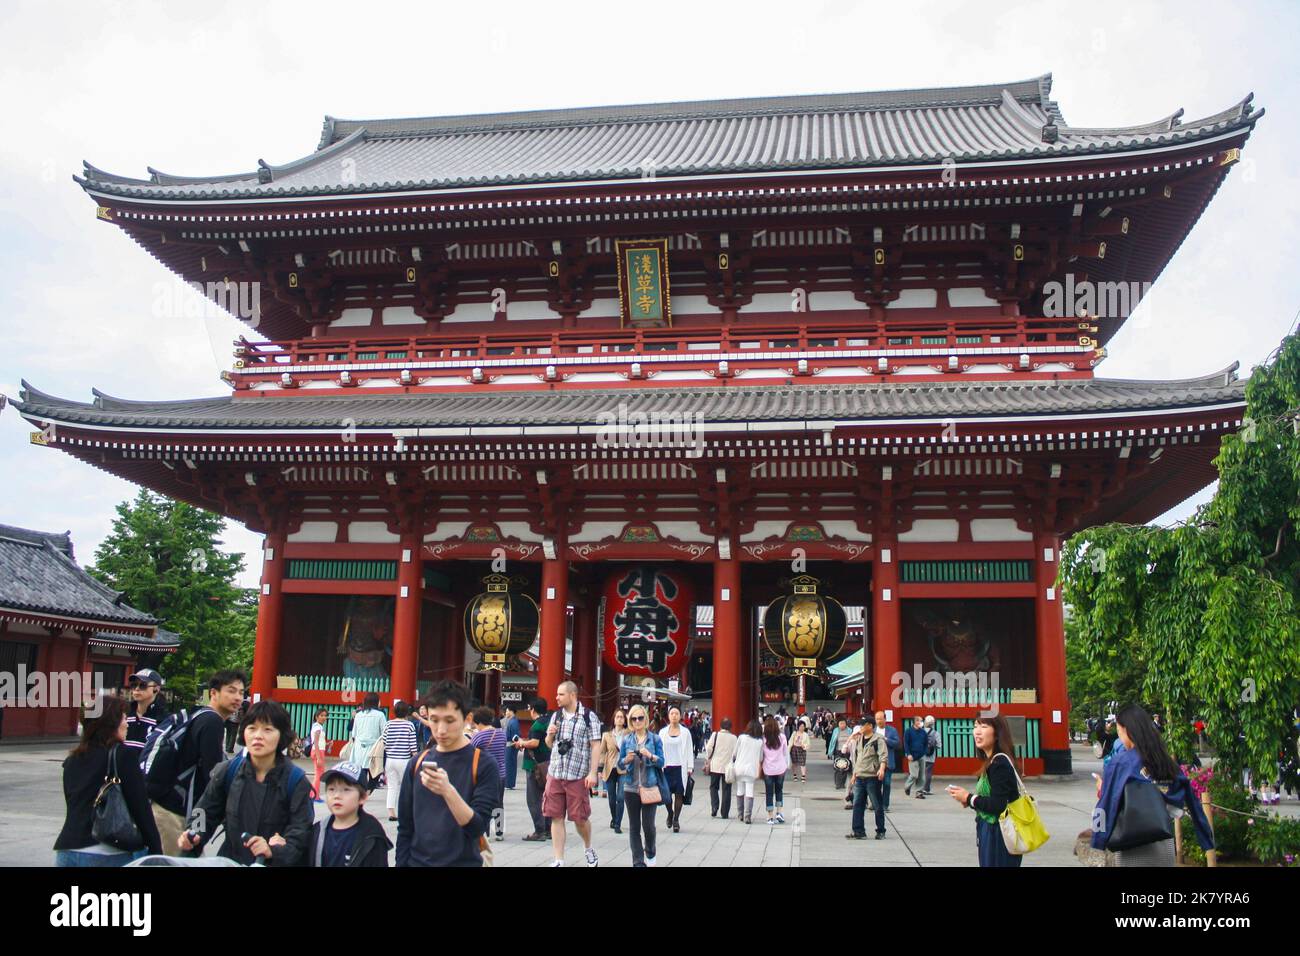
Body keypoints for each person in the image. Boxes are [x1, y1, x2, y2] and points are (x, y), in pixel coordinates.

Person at [181, 699, 314, 866]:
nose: (258, 735)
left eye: (267, 729)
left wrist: (274, 851)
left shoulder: (295, 781)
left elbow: (300, 832)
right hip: (231, 860)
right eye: (252, 728)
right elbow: (204, 810)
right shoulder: (228, 771)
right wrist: (194, 832)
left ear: (282, 735)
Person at [1092, 704, 1215, 866]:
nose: (1119, 737)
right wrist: (1206, 839)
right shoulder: (1165, 761)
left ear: (1127, 730)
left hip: (1130, 842)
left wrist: (1098, 840)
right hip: (1163, 841)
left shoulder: (1119, 763)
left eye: (1120, 732)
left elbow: (1106, 804)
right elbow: (1190, 800)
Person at [396, 681, 501, 867]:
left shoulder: (483, 764)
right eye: (434, 720)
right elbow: (405, 827)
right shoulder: (417, 763)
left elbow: (477, 827)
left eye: (449, 720)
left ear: (467, 719)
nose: (441, 729)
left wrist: (448, 791)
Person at [55, 694, 162, 865]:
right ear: (111, 722)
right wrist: (156, 848)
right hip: (104, 852)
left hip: (67, 851)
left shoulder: (72, 760)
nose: (127, 723)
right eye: (124, 718)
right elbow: (139, 806)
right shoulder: (122, 755)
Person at [149, 669, 244, 857]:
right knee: (176, 861)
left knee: (191, 858)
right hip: (175, 812)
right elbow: (213, 775)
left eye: (241, 692)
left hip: (182, 807)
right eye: (231, 691)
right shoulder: (212, 721)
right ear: (214, 693)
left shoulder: (200, 715)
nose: (238, 697)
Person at [945, 714, 1021, 867]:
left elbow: (998, 804)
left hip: (999, 834)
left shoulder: (999, 763)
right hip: (989, 829)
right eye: (975, 726)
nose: (977, 732)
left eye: (984, 726)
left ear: (998, 733)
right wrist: (969, 800)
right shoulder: (991, 761)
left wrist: (969, 798)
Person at [543, 680, 602, 867]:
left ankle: (588, 847)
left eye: (561, 694)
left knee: (580, 818)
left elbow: (595, 745)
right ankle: (559, 859)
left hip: (577, 775)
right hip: (556, 772)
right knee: (556, 816)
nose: (557, 698)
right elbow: (548, 743)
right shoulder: (556, 716)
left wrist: (593, 773)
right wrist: (550, 735)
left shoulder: (588, 716)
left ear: (572, 695)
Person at [310, 762, 391, 867]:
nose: (337, 795)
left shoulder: (372, 835)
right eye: (331, 789)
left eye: (346, 790)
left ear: (362, 798)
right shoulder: (318, 831)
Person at [619, 704, 666, 867]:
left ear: (645, 719)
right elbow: (620, 763)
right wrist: (626, 760)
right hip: (630, 787)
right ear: (630, 721)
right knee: (634, 826)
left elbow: (661, 762)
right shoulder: (627, 739)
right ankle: (638, 861)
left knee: (648, 826)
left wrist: (650, 755)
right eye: (634, 718)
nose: (637, 721)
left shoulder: (655, 739)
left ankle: (651, 852)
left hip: (649, 786)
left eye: (640, 718)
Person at [509, 698, 551, 841]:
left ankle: (540, 831)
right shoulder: (549, 721)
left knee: (534, 799)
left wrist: (521, 743)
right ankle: (549, 829)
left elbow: (534, 743)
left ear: (533, 709)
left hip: (534, 766)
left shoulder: (538, 724)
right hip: (547, 763)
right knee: (546, 797)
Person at [846, 715, 888, 840]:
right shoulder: (859, 739)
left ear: (870, 726)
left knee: (876, 805)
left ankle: (880, 830)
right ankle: (858, 831)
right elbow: (858, 759)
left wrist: (881, 769)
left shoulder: (878, 740)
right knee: (858, 804)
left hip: (872, 777)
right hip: (860, 776)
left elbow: (883, 756)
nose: (861, 727)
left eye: (863, 725)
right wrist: (854, 774)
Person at [469, 706, 508, 839]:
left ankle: (484, 831)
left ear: (478, 722)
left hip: (484, 775)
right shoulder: (502, 734)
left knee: (483, 803)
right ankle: (499, 831)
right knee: (499, 803)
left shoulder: (478, 736)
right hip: (501, 773)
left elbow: (470, 753)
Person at [658, 705, 695, 833]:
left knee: (679, 794)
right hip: (666, 767)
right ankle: (670, 812)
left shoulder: (685, 733)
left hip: (680, 767)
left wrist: (690, 766)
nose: (674, 716)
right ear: (668, 716)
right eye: (672, 713)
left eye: (676, 713)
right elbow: (659, 749)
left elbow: (689, 749)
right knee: (667, 795)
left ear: (680, 716)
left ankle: (676, 820)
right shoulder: (662, 732)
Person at [383, 701, 419, 822]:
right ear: (406, 712)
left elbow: (384, 742)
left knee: (392, 786)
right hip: (403, 760)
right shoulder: (409, 725)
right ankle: (405, 811)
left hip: (390, 759)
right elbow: (413, 747)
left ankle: (391, 812)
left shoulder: (388, 724)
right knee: (406, 787)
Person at [347, 693, 387, 792]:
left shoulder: (358, 715)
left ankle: (362, 789)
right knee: (376, 770)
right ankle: (369, 788)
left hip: (360, 747)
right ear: (376, 702)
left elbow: (354, 733)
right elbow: (385, 732)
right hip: (375, 746)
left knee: (362, 770)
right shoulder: (380, 715)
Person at [123, 669, 169, 754]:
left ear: (156, 689)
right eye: (134, 685)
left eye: (143, 685)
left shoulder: (163, 719)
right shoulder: (123, 714)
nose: (137, 689)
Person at [599, 707, 629, 834]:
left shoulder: (629, 734)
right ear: (614, 719)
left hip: (623, 768)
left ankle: (618, 823)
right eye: (617, 717)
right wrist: (599, 769)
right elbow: (602, 752)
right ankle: (614, 817)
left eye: (622, 717)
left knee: (621, 797)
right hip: (610, 768)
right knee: (612, 797)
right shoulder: (606, 735)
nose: (619, 719)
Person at [731, 719, 765, 824]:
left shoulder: (741, 738)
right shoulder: (760, 742)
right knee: (749, 791)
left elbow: (734, 753)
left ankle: (740, 814)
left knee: (740, 790)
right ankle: (747, 816)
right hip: (751, 770)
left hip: (739, 767)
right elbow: (760, 758)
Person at [704, 717, 738, 818]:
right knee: (727, 789)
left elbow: (709, 748)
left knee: (713, 787)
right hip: (727, 767)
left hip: (715, 765)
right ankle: (725, 812)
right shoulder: (734, 738)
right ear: (730, 727)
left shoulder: (715, 735)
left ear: (720, 726)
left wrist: (708, 758)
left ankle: (715, 806)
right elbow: (735, 753)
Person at [761, 716, 789, 824]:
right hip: (780, 768)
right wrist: (786, 764)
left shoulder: (763, 739)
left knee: (769, 792)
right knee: (779, 791)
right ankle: (779, 812)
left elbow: (761, 755)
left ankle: (770, 816)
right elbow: (785, 752)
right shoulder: (782, 737)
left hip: (768, 769)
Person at [875, 711, 901, 811]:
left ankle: (885, 805)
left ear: (885, 719)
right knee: (875, 785)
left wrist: (886, 739)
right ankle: (876, 803)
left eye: (880, 719)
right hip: (875, 762)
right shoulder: (873, 730)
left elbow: (897, 743)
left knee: (886, 784)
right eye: (877, 719)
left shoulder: (892, 730)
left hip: (888, 762)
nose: (879, 721)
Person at [903, 716, 928, 799]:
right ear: (915, 722)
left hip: (921, 756)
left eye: (921, 721)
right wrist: (908, 753)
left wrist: (924, 752)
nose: (921, 722)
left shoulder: (923, 732)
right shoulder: (908, 731)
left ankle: (919, 792)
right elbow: (906, 743)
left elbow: (926, 743)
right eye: (920, 721)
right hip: (912, 756)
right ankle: (907, 786)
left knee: (921, 775)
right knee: (914, 774)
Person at [308, 707, 329, 802]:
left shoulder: (317, 726)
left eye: (325, 715)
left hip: (318, 751)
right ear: (317, 717)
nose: (324, 717)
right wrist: (319, 758)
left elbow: (317, 741)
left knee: (318, 774)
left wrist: (328, 744)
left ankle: (313, 795)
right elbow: (315, 742)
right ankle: (314, 796)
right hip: (318, 752)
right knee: (318, 775)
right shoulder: (317, 727)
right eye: (321, 715)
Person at [828, 718, 851, 789]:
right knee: (838, 767)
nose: (842, 725)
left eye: (843, 723)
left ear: (846, 724)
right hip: (838, 751)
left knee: (845, 767)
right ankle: (838, 784)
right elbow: (832, 741)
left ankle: (842, 783)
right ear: (838, 724)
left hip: (846, 751)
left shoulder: (850, 730)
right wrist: (830, 752)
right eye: (840, 723)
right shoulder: (836, 730)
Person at [502, 707, 521, 790]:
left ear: (511, 711)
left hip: (511, 745)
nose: (506, 712)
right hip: (510, 745)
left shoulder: (513, 722)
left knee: (509, 764)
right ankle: (509, 783)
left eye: (507, 711)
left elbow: (515, 735)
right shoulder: (513, 721)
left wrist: (517, 744)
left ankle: (509, 783)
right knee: (510, 764)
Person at [922, 715, 940, 795]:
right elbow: (939, 745)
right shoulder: (936, 733)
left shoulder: (920, 732)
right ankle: (926, 789)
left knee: (921, 773)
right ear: (933, 724)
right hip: (931, 756)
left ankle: (920, 789)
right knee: (928, 773)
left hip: (920, 756)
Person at [789, 720, 810, 785]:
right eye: (800, 726)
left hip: (802, 749)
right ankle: (795, 775)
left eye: (803, 726)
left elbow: (808, 743)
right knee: (794, 763)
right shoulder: (794, 733)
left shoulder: (805, 734)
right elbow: (790, 741)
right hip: (794, 749)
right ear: (798, 727)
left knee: (802, 763)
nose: (802, 728)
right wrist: (788, 749)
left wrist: (805, 746)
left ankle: (803, 776)